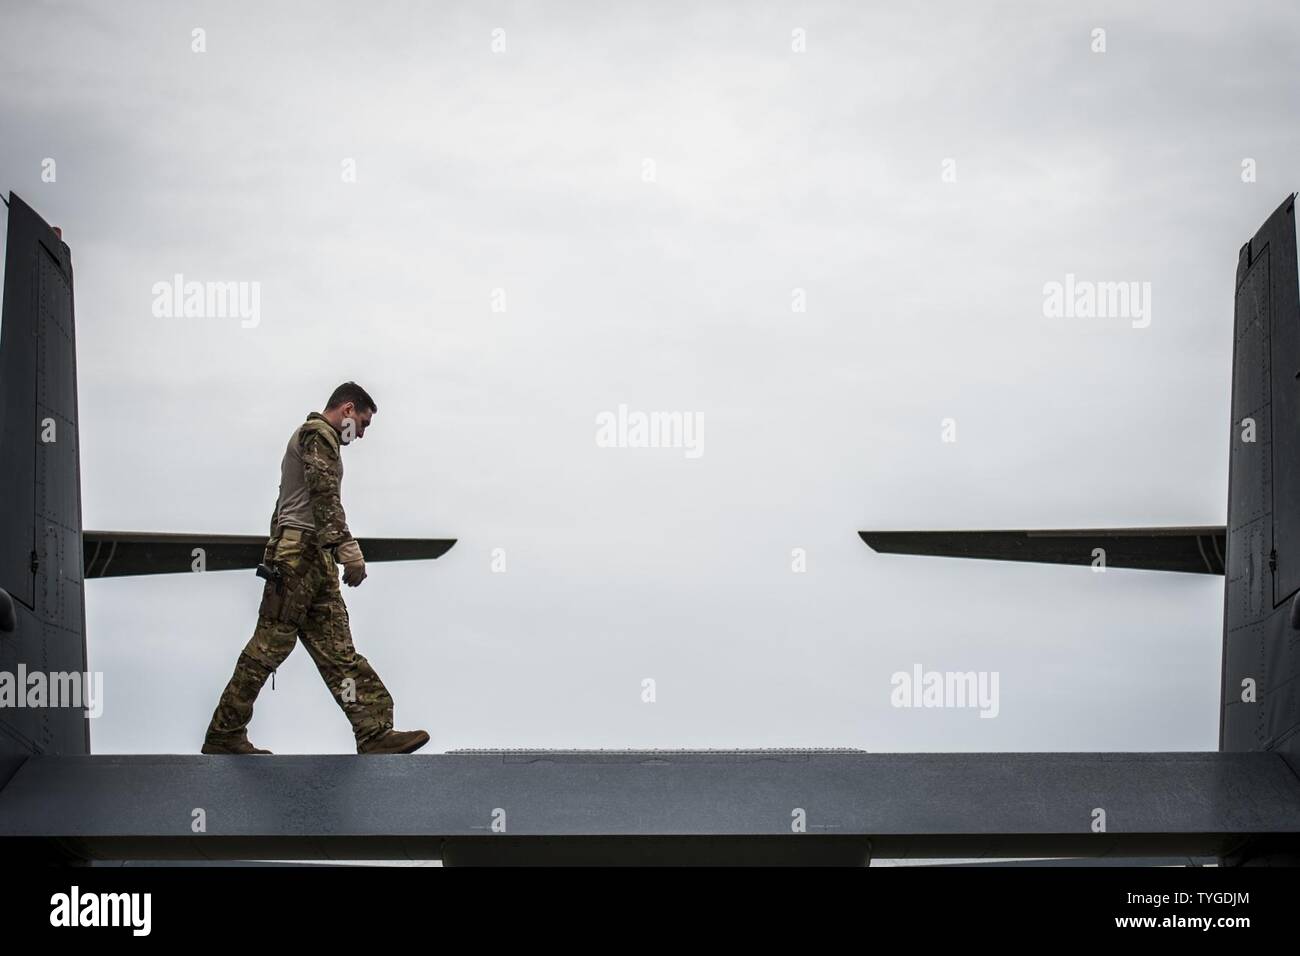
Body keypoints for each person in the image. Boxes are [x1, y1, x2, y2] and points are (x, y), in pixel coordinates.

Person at [202, 382, 429, 755]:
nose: (361, 434)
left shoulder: (320, 440)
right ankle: (224, 733)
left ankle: (374, 733)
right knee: (269, 646)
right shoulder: (317, 434)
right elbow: (322, 493)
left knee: (338, 651)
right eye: (363, 423)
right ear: (347, 410)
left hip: (312, 558)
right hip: (299, 557)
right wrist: (346, 548)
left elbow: (289, 503)